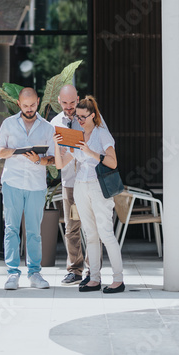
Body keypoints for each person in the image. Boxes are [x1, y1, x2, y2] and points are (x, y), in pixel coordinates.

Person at [54, 95, 124, 293]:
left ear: (93, 115)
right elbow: (60, 165)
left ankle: (118, 279)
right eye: (78, 116)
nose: (79, 120)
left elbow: (113, 162)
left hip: (98, 185)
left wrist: (90, 152)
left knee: (106, 234)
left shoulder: (101, 134)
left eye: (83, 116)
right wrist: (58, 144)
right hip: (80, 185)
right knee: (90, 235)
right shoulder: (77, 135)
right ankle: (94, 278)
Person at [0, 87, 56, 290]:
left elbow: (54, 159)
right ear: (18, 103)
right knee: (11, 229)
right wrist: (16, 151)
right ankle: (12, 274)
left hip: (36, 185)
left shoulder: (47, 128)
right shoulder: (8, 124)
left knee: (34, 231)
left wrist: (39, 159)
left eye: (33, 105)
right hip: (12, 183)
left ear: (38, 101)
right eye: (25, 105)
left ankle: (35, 273)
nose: (29, 109)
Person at [49, 84, 84, 285]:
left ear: (77, 99)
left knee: (92, 227)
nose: (69, 107)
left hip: (90, 181)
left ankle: (93, 270)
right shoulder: (54, 124)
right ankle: (75, 270)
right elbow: (56, 157)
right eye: (65, 103)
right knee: (72, 227)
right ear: (59, 102)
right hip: (70, 184)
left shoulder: (88, 118)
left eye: (72, 102)